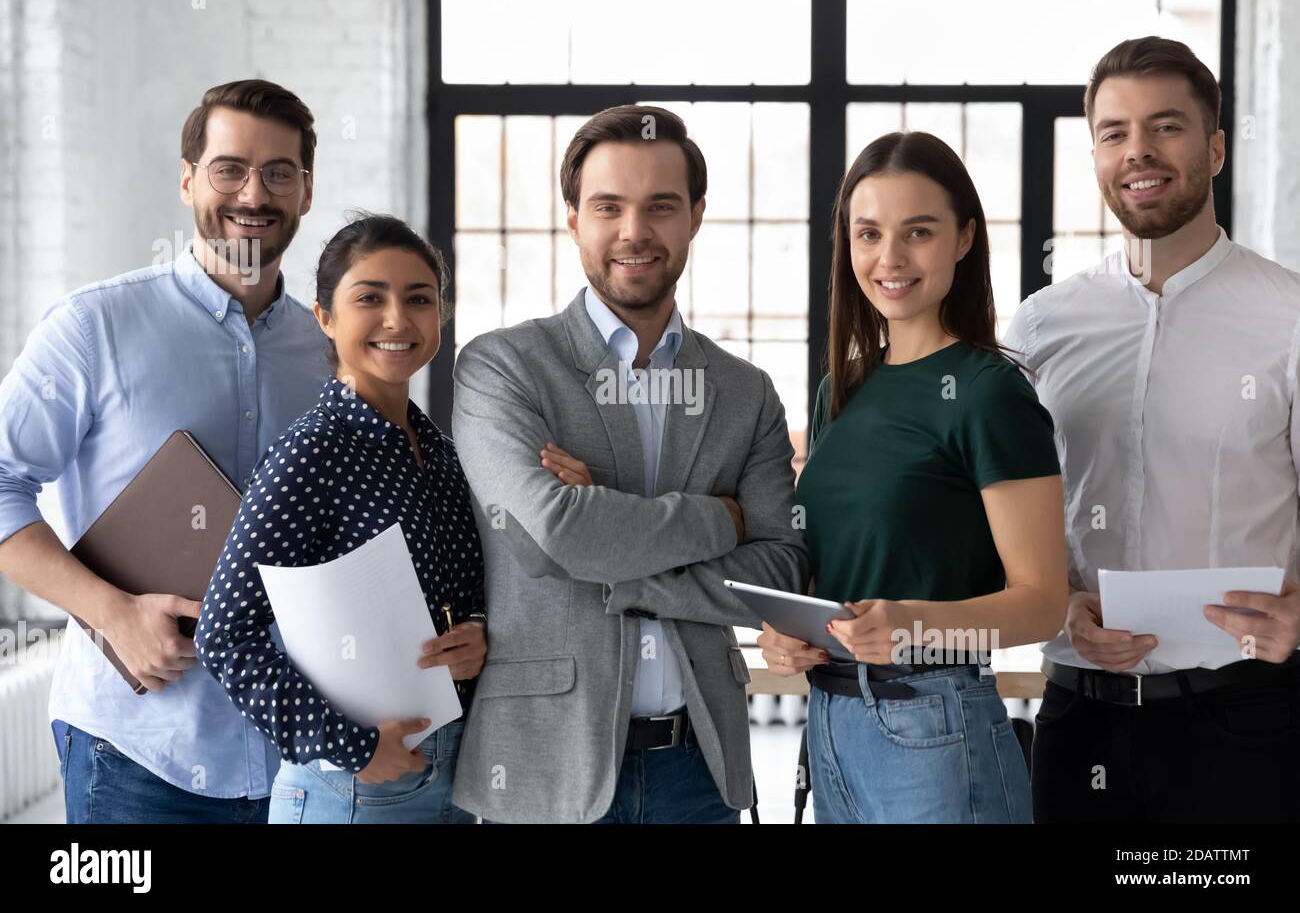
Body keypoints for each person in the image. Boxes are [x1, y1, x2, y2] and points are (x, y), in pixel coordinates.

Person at [448, 104, 808, 824]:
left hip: (699, 770)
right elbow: (558, 532)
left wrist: (615, 550)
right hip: (545, 768)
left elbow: (781, 575)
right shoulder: (502, 367)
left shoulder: (745, 391)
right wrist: (721, 520)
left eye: (661, 207)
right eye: (608, 206)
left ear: (697, 216)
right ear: (574, 217)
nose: (634, 232)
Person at [0, 80, 329, 822]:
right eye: (229, 168)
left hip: (299, 758)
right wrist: (111, 612)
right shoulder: (95, 327)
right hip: (137, 758)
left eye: (280, 172)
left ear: (306, 192)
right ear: (188, 181)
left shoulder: (327, 352)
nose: (255, 192)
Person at [1005, 36, 1300, 823]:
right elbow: (1012, 524)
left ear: (1216, 146)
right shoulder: (1039, 328)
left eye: (1166, 127)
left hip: (1248, 724)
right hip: (1079, 720)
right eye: (1114, 132)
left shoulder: (1291, 318)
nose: (1139, 151)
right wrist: (1061, 604)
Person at [759, 130, 1068, 823]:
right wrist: (791, 630)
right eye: (868, 233)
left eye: (918, 232)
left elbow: (1043, 603)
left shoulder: (991, 392)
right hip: (832, 720)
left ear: (964, 239)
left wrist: (913, 626)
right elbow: (843, 568)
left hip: (935, 723)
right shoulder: (841, 389)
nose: (889, 258)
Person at [195, 213, 486, 823]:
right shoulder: (313, 452)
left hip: (456, 772)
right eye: (369, 299)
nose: (397, 320)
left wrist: (474, 636)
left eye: (418, 299)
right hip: (357, 789)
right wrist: (350, 747)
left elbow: (458, 592)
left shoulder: (438, 449)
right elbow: (223, 635)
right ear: (324, 316)